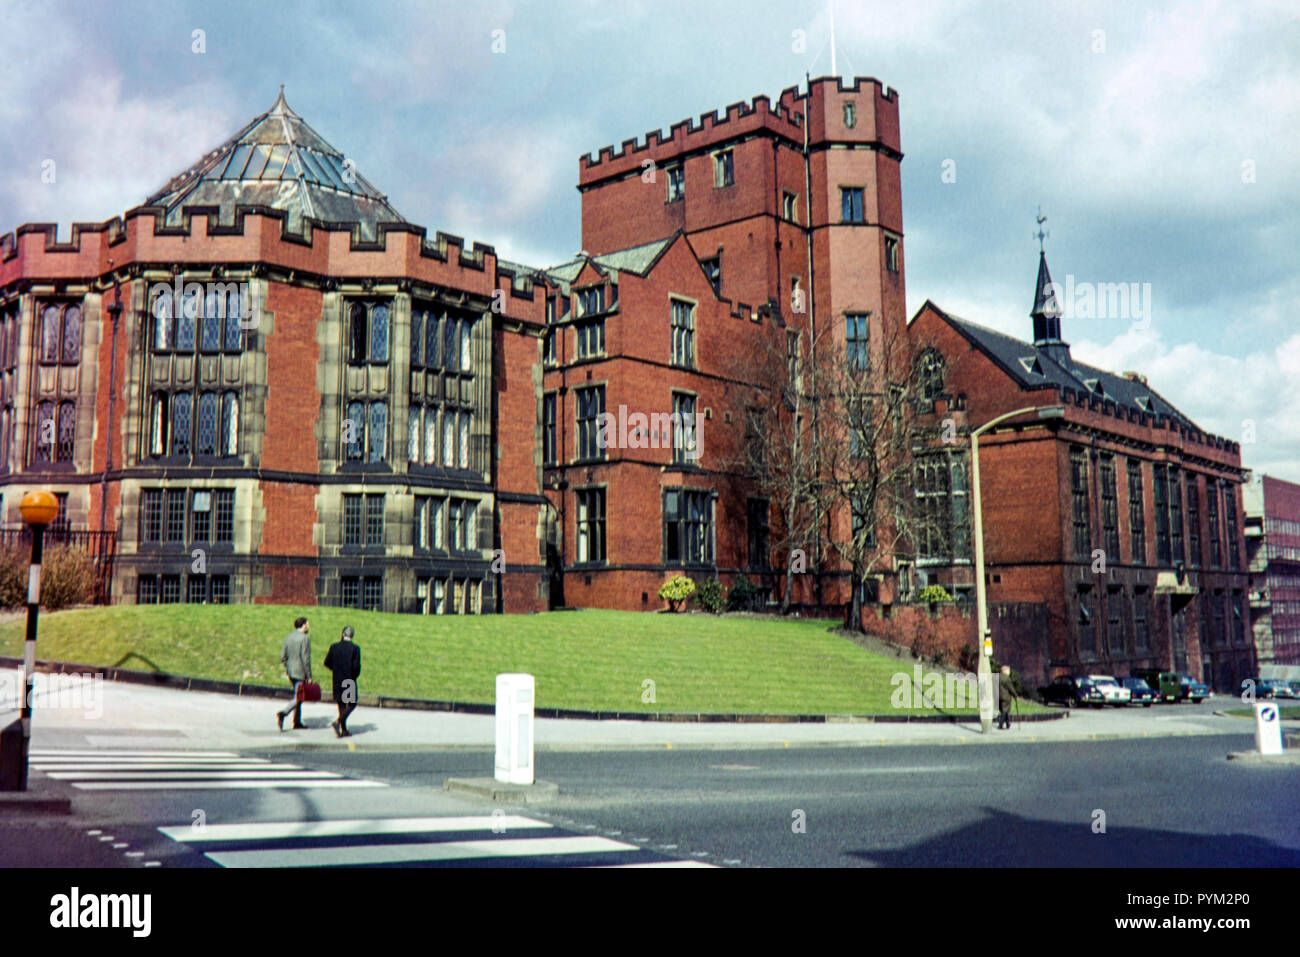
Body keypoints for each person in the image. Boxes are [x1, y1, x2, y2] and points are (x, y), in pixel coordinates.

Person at [324, 625, 362, 738]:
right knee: (351, 703)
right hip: (349, 678)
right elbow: (356, 666)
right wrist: (354, 675)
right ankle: (339, 722)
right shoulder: (355, 649)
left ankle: (343, 729)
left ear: (342, 634)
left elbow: (327, 662)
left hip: (337, 678)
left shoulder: (334, 647)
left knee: (341, 703)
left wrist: (335, 669)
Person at [276, 617, 312, 731]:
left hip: (291, 671)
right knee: (299, 697)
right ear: (304, 626)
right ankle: (283, 713)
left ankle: (297, 722)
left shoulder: (288, 637)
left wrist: (288, 667)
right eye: (307, 624)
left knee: (298, 696)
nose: (309, 626)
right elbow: (305, 658)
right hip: (300, 671)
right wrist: (309, 675)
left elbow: (283, 656)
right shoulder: (304, 638)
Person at [997, 664, 1016, 730]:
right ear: (1005, 671)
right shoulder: (1007, 678)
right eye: (1008, 671)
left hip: (998, 697)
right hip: (1006, 697)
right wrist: (1015, 695)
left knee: (1004, 710)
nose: (1009, 672)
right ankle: (1000, 725)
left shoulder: (997, 677)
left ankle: (1008, 724)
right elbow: (1011, 688)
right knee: (1005, 711)